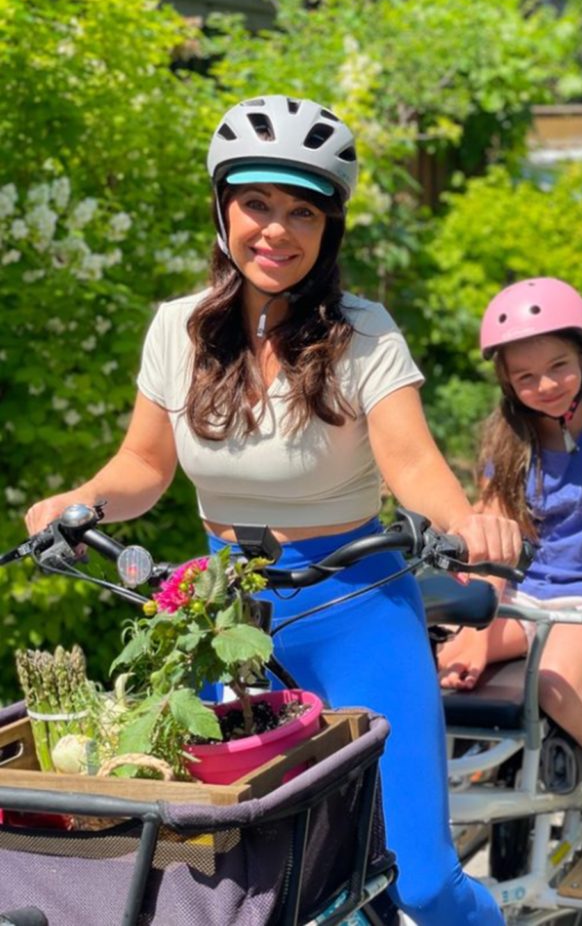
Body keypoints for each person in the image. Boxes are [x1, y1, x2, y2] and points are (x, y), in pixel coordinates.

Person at [24, 95, 522, 925]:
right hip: (214, 611)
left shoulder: (364, 335)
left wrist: (466, 521)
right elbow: (142, 468)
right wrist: (78, 502)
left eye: (303, 211)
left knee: (423, 881)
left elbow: (414, 467)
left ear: (330, 230)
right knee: (234, 880)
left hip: (355, 602)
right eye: (257, 203)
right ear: (223, 207)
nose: (276, 231)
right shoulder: (177, 330)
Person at [437, 277, 582, 878]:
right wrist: (476, 612)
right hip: (527, 599)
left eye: (558, 366)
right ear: (507, 381)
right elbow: (492, 529)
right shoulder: (509, 439)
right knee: (446, 660)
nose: (544, 386)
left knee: (559, 682)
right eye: (525, 377)